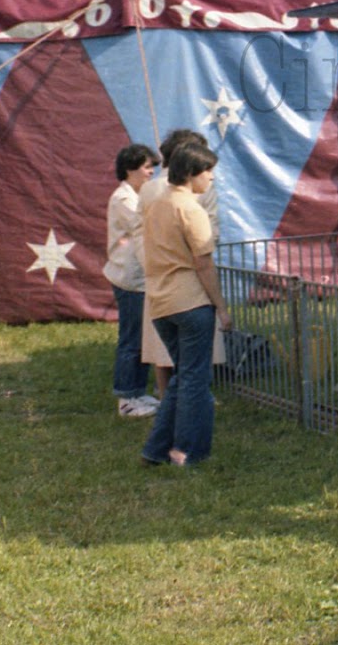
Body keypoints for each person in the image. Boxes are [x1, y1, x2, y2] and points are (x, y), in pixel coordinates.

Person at [141, 142, 232, 467]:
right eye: (208, 171)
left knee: (182, 377)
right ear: (192, 173)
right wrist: (221, 307)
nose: (211, 178)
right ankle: (188, 452)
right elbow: (203, 263)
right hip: (191, 302)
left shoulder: (156, 202)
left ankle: (156, 449)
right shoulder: (192, 209)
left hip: (161, 302)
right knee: (195, 380)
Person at [139, 128, 223, 396]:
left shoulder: (153, 190)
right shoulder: (190, 198)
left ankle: (168, 397)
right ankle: (192, 402)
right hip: (189, 285)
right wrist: (221, 306)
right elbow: (204, 249)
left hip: (157, 280)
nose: (209, 174)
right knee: (192, 367)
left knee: (166, 350)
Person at [104, 142, 160, 418]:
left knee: (142, 338)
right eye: (147, 167)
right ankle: (126, 398)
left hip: (140, 278)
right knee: (131, 339)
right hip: (129, 279)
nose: (151, 172)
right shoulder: (124, 199)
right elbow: (148, 226)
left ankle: (138, 390)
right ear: (130, 169)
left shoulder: (138, 195)